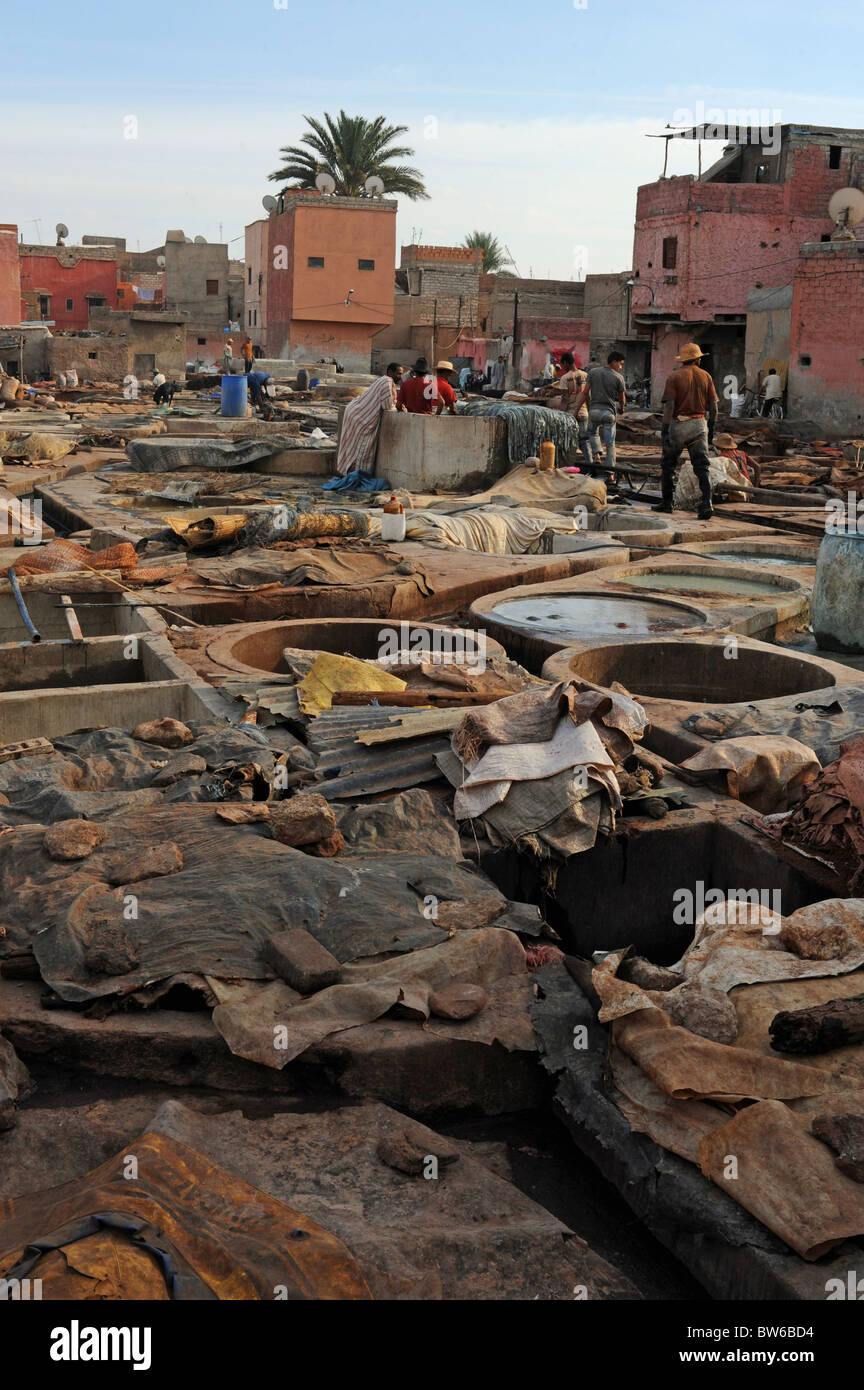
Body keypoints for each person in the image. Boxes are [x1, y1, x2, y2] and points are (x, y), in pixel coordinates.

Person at [652, 342, 718, 521]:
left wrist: (665, 430)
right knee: (702, 467)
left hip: (679, 425)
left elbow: (670, 406)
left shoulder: (674, 376)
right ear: (697, 359)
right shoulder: (706, 376)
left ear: (684, 360)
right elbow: (713, 407)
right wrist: (710, 430)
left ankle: (667, 503)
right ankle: (707, 503)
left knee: (668, 465)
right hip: (699, 424)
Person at [336, 363, 403, 476]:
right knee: (362, 450)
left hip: (355, 412)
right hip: (360, 416)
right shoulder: (387, 381)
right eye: (398, 373)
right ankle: (356, 476)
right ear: (390, 372)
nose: (400, 377)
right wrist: (401, 408)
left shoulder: (384, 380)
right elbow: (388, 405)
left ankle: (350, 475)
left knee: (352, 448)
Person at [572, 350, 627, 474]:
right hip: (609, 413)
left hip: (594, 412)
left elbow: (585, 393)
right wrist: (622, 408)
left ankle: (596, 454)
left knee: (592, 433)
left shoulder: (593, 372)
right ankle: (610, 474)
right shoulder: (619, 378)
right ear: (614, 362)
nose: (621, 367)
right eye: (620, 364)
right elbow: (622, 398)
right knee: (610, 444)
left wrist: (576, 410)